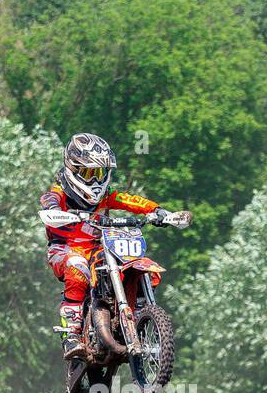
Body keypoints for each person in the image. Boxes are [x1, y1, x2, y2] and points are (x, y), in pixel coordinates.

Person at [39, 133, 191, 358]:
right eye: (90, 173)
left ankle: (137, 314)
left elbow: (129, 200)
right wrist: (55, 212)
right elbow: (48, 203)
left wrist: (158, 212)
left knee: (131, 262)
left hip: (99, 247)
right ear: (74, 169)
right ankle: (70, 335)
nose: (95, 180)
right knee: (77, 267)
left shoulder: (106, 196)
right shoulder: (58, 193)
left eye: (100, 173)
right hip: (66, 249)